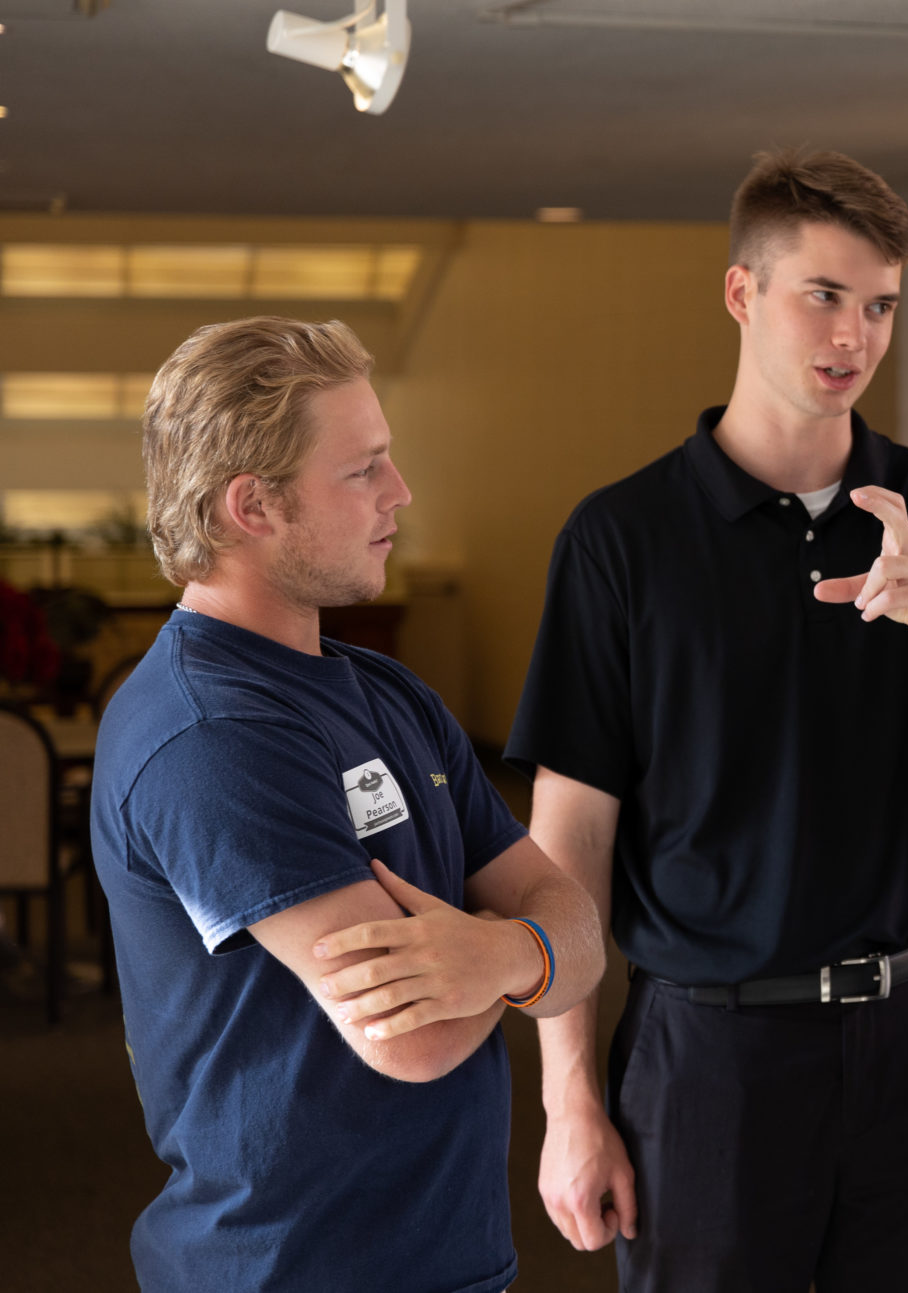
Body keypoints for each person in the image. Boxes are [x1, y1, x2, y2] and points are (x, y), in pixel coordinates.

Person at [507, 148, 908, 1292]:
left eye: (877, 306)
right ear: (742, 293)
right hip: (711, 1050)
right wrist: (568, 1099)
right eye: (823, 295)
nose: (853, 336)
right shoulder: (620, 540)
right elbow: (568, 847)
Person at [91, 317, 604, 1293]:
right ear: (253, 506)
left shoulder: (385, 690)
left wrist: (495, 953)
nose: (399, 494)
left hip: (447, 1261)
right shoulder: (211, 733)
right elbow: (415, 1039)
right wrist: (534, 950)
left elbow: (575, 921)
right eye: (363, 469)